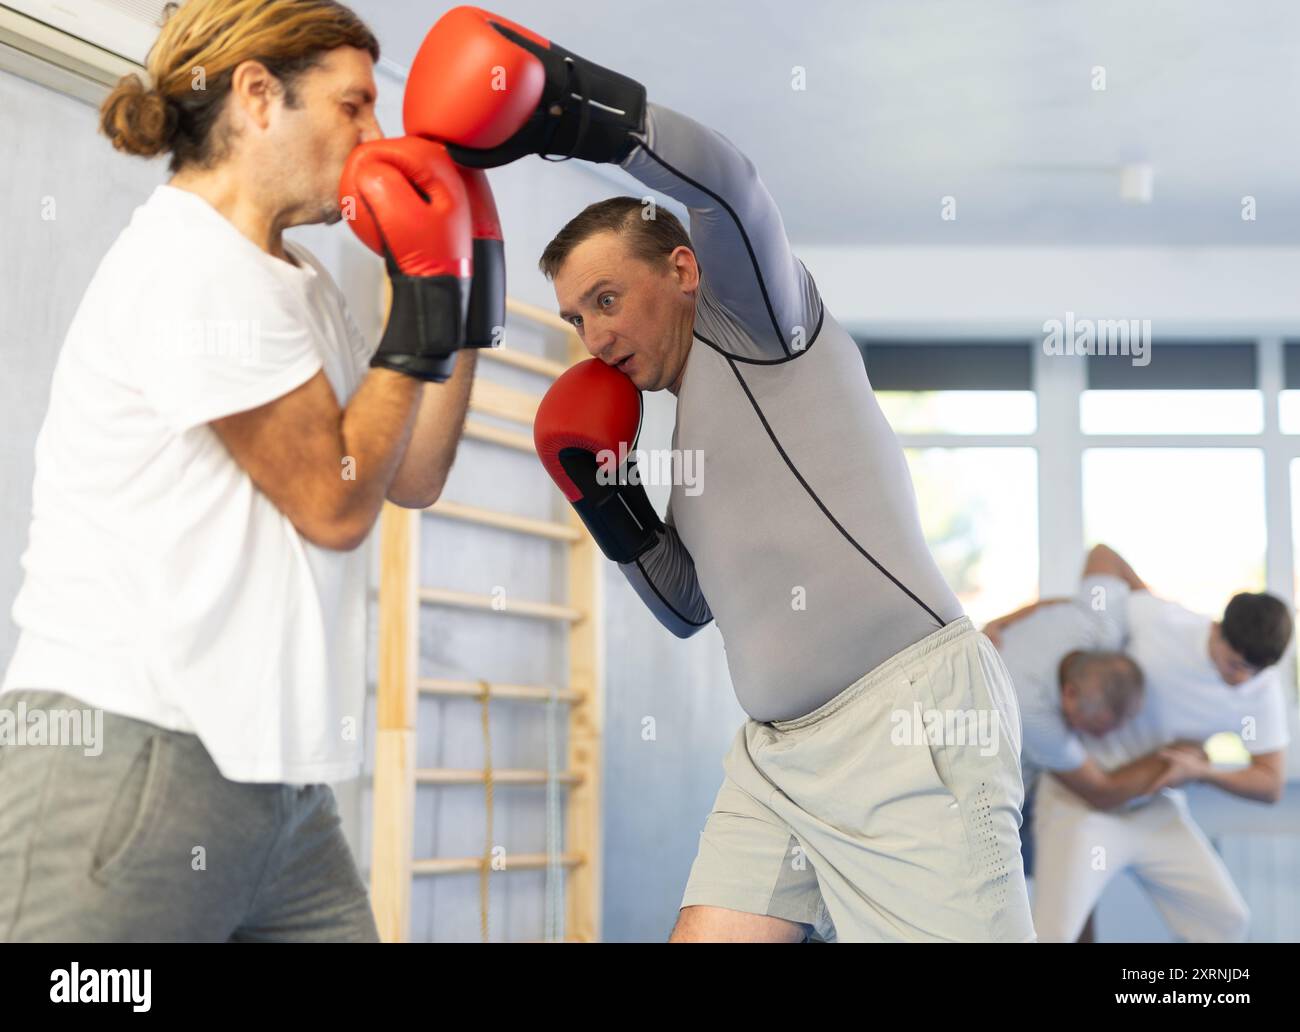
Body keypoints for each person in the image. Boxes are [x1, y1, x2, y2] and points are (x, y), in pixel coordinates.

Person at [405, 6, 1035, 942]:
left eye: (608, 298)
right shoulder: (679, 451)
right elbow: (690, 608)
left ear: (687, 270)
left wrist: (564, 105)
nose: (596, 336)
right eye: (578, 318)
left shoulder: (762, 332)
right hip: (779, 760)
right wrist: (613, 510)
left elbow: (735, 187)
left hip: (910, 730)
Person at [0, 0, 491, 941]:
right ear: (260, 96)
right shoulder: (189, 263)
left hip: (283, 794)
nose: (375, 136)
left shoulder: (296, 281)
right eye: (354, 106)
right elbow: (336, 501)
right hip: (134, 756)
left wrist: (467, 286)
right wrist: (424, 303)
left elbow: (413, 470)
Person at [996, 544, 1292, 942]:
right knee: (1054, 935)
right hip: (1079, 805)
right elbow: (1094, 574)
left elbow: (1270, 784)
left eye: (1253, 672)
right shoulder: (1160, 621)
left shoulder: (1261, 691)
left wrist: (1204, 771)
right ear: (1216, 629)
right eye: (1234, 664)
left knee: (1227, 920)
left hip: (1155, 807)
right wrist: (1006, 622)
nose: (1241, 679)